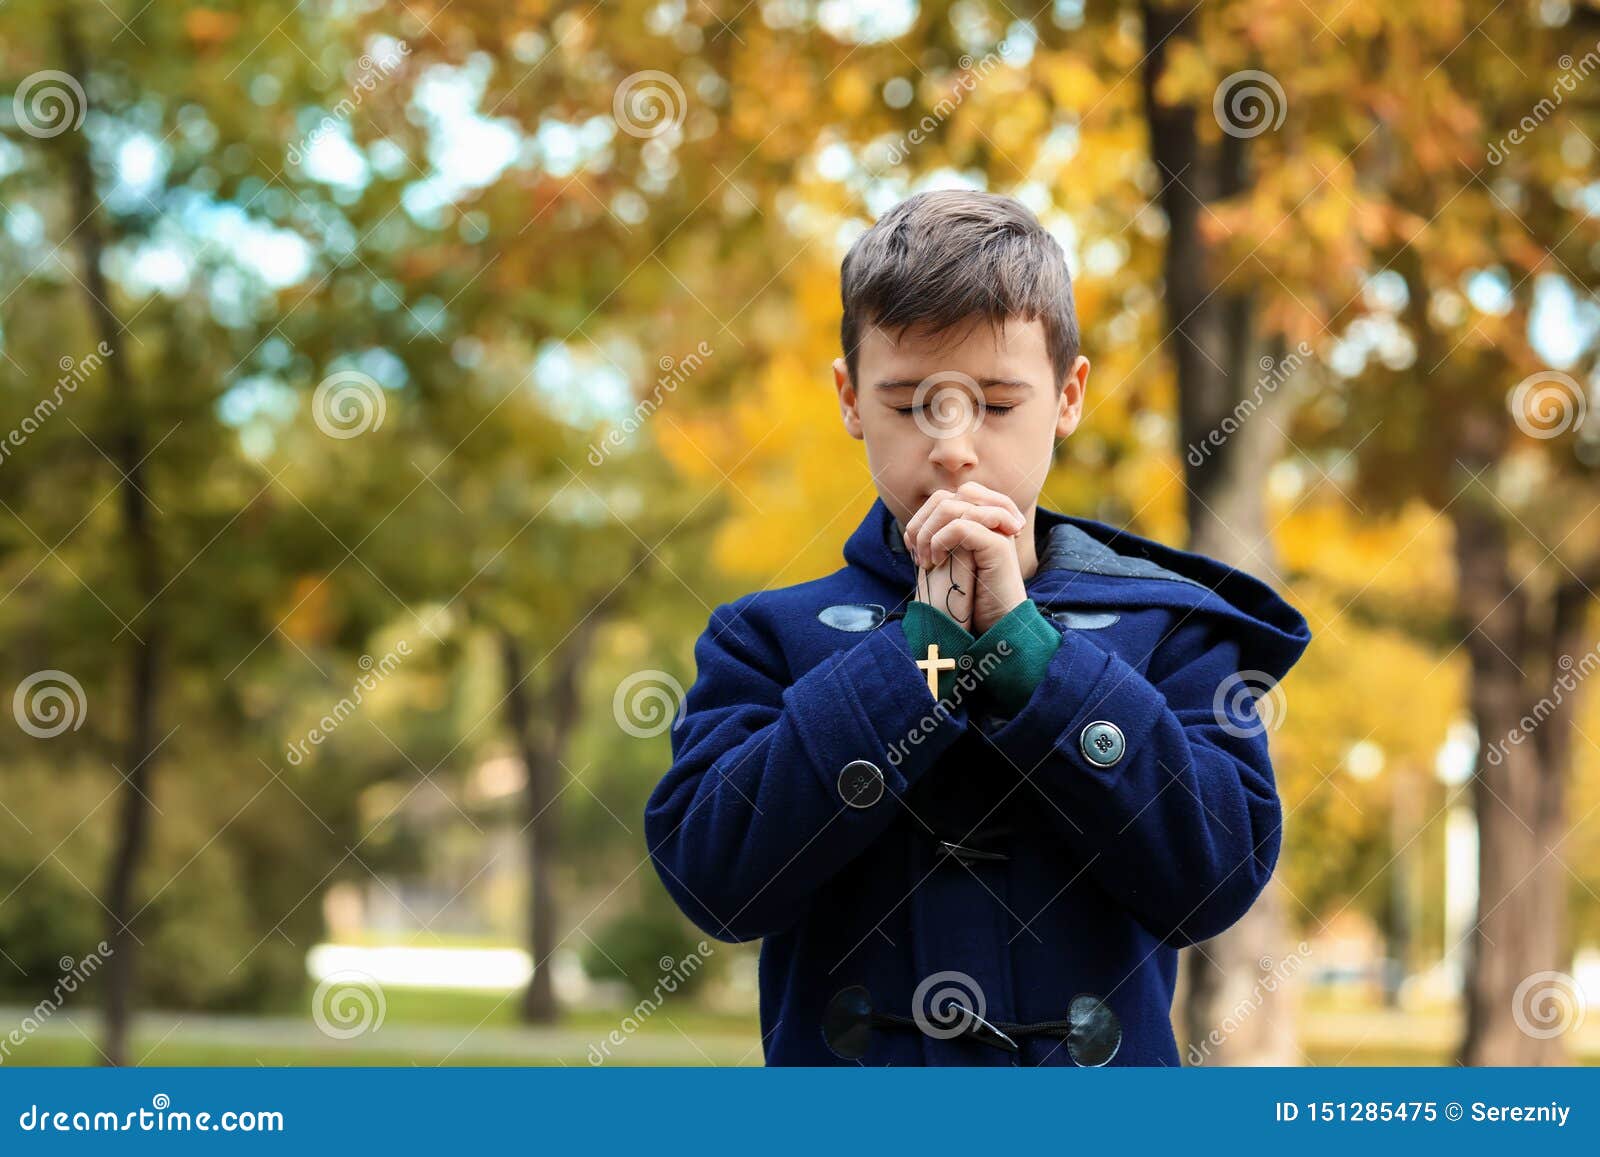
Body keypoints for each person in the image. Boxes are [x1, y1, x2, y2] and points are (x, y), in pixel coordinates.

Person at [643, 189, 1312, 1066]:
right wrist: (914, 661)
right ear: (850, 400)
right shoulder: (764, 637)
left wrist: (1034, 659)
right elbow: (717, 884)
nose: (954, 447)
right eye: (912, 402)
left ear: (1068, 397)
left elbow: (1215, 880)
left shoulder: (1171, 631)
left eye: (996, 404)